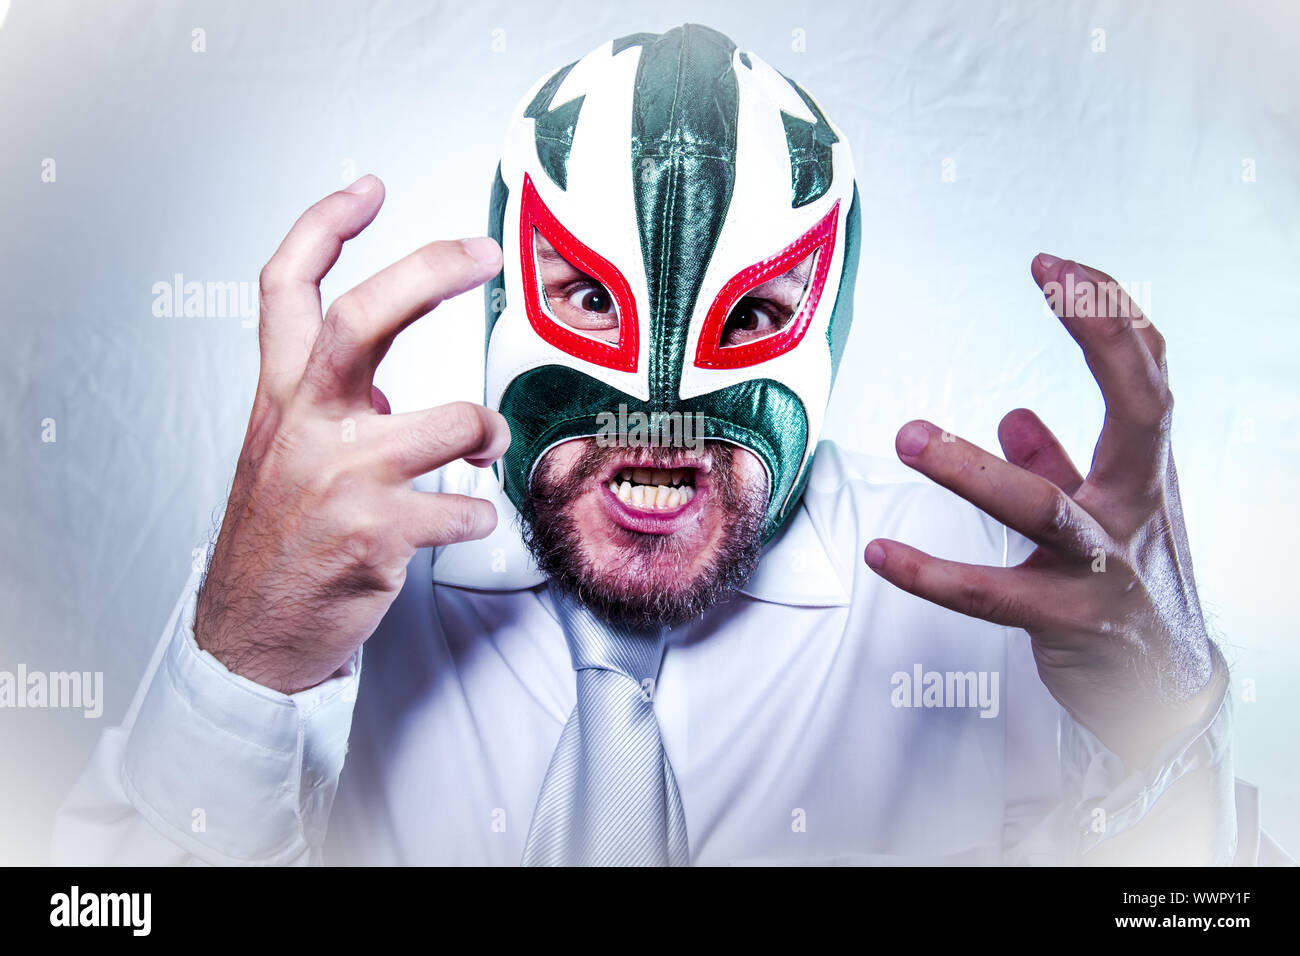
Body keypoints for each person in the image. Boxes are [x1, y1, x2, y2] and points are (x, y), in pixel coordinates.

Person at [52, 23, 1277, 866]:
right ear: (504, 289)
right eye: (588, 296)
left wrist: (1170, 728)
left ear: (828, 320)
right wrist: (240, 660)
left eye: (749, 314)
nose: (658, 399)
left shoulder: (1009, 595)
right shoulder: (327, 559)